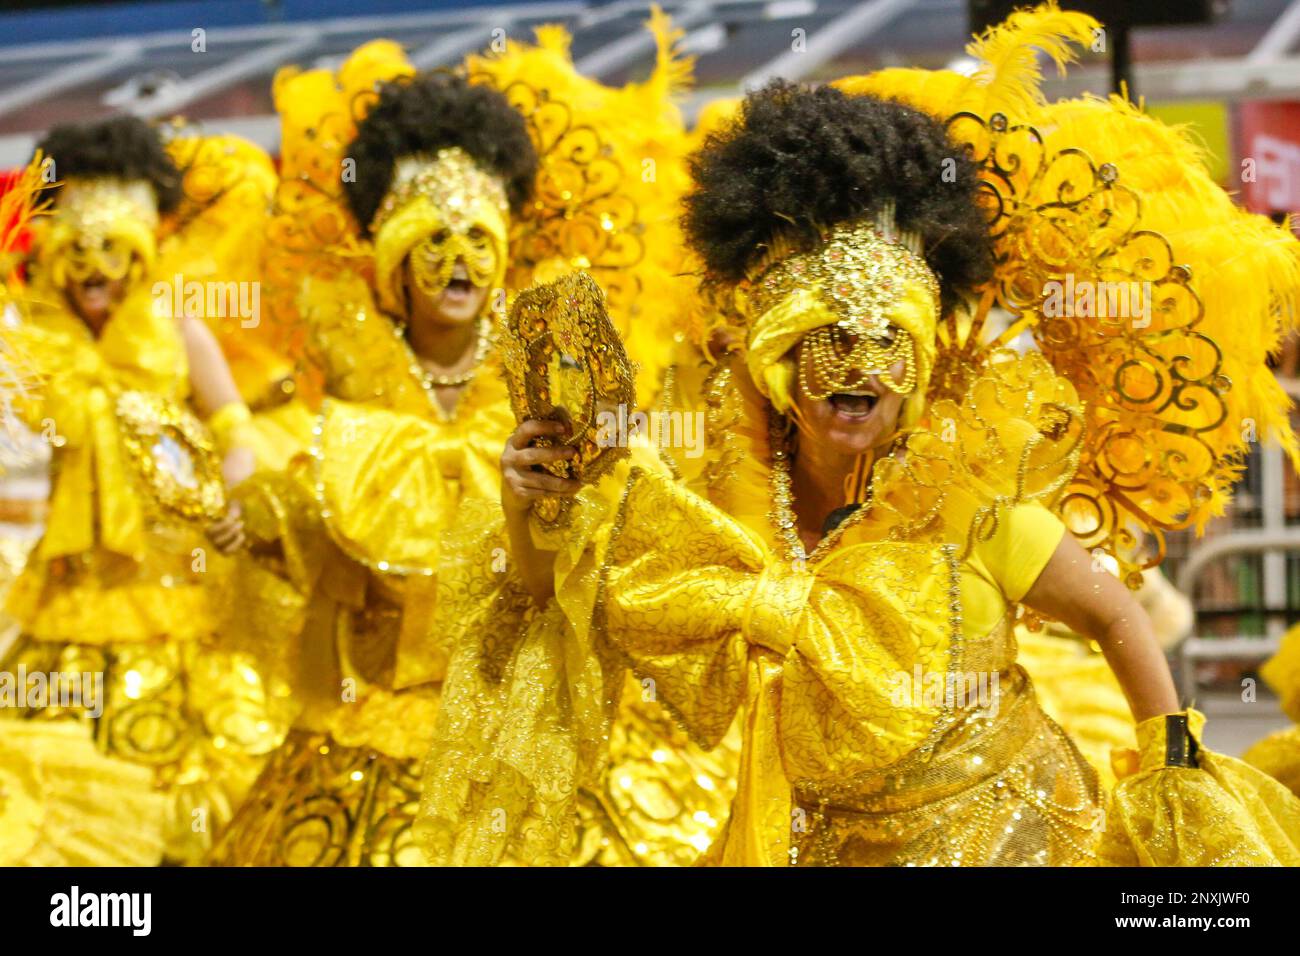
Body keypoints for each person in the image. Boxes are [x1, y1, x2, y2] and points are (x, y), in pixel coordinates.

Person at [432, 3, 1300, 866]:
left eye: (889, 343)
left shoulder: (967, 506)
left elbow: (1113, 614)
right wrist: (527, 505)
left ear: (919, 369)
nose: (862, 367)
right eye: (832, 342)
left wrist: (1175, 767)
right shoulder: (724, 510)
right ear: (778, 362)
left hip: (1016, 840)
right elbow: (568, 596)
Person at [0, 115, 288, 864]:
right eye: (80, 255)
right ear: (56, 257)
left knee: (193, 796)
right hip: (66, 602)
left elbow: (234, 431)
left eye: (114, 254)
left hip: (176, 600)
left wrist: (237, 503)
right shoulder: (35, 341)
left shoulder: (178, 328)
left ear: (145, 248)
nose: (97, 273)